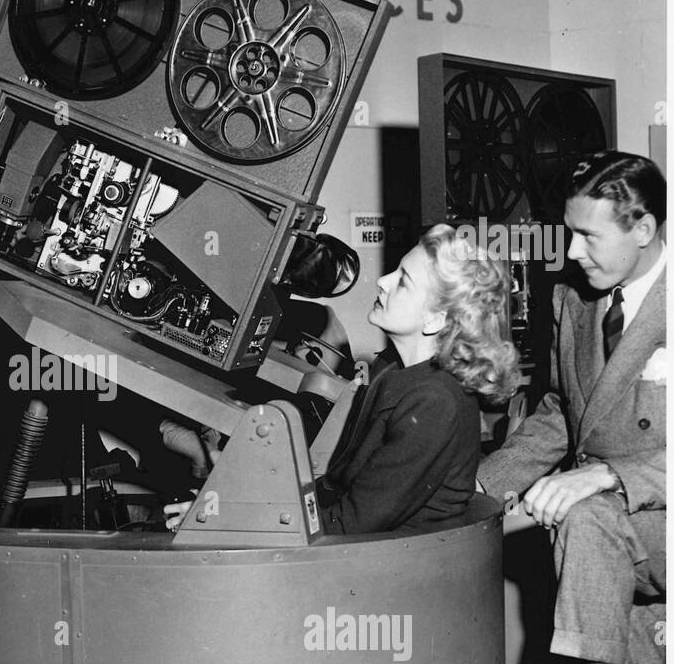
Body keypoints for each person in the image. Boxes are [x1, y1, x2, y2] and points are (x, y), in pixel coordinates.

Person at [478, 151, 666, 664]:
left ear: (642, 227)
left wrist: (612, 474)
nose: (573, 252)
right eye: (569, 233)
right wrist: (483, 487)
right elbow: (563, 410)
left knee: (587, 513)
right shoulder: (573, 300)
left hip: (669, 521)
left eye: (590, 236)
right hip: (608, 552)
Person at [165, 224, 519, 533]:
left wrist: (233, 521)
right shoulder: (393, 372)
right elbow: (333, 488)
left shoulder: (434, 401)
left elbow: (352, 523)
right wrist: (230, 508)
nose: (382, 281)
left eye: (403, 282)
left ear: (435, 320)